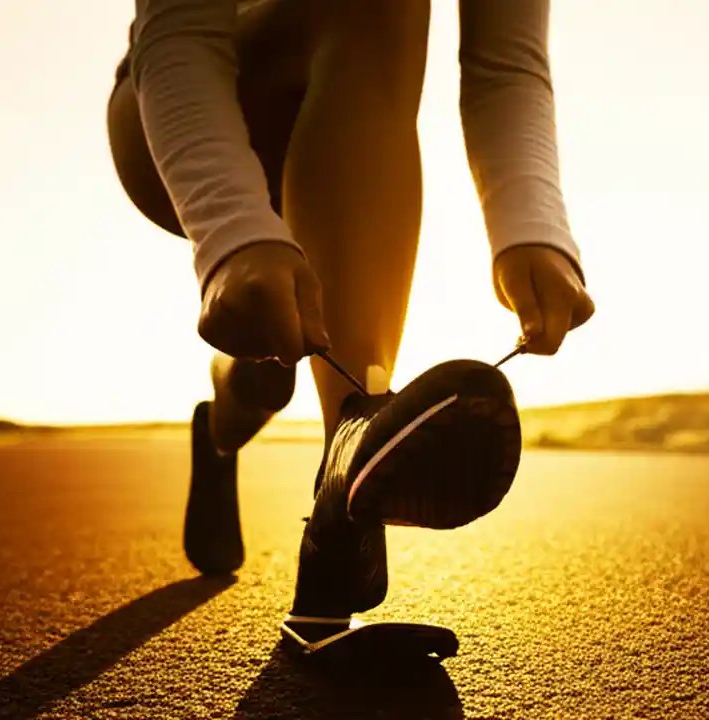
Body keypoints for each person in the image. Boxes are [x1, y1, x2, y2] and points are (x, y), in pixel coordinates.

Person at [106, 0, 595, 623]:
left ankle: (250, 411)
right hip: (177, 107)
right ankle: (345, 493)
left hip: (359, 137)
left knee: (273, 354)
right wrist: (231, 236)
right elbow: (177, 31)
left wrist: (534, 232)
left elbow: (505, 65)